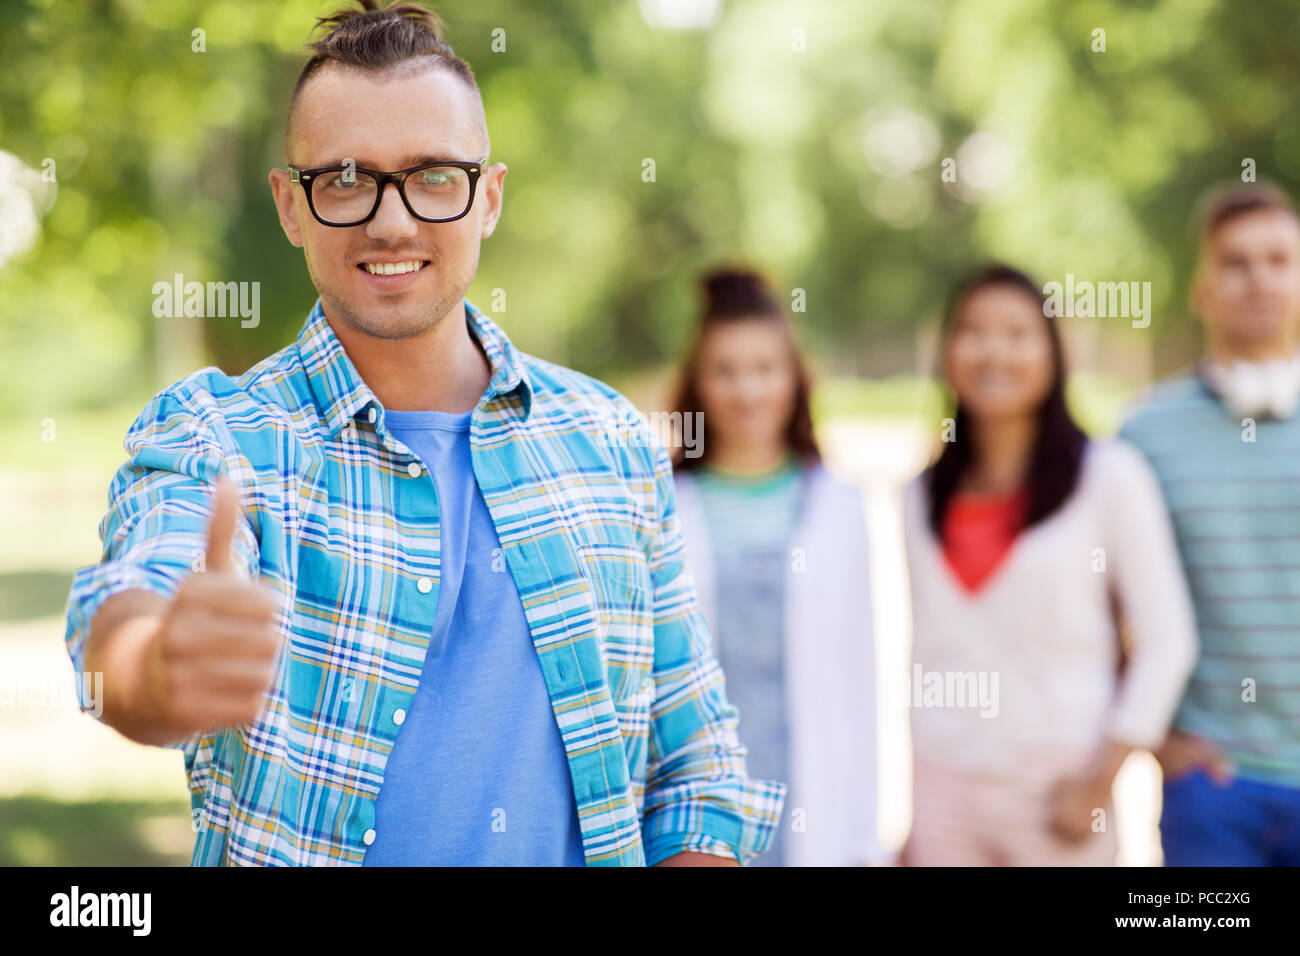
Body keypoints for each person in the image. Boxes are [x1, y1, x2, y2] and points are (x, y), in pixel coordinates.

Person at [61, 0, 784, 867]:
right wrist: (161, 668)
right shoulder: (217, 437)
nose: (391, 222)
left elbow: (695, 772)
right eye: (344, 180)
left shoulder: (610, 443)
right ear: (291, 207)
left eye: (434, 176)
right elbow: (131, 621)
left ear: (489, 198)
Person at [901, 264, 1198, 866]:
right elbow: (927, 649)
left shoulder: (1110, 478)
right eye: (973, 331)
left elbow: (1168, 641)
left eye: (1017, 333)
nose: (993, 351)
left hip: (1060, 793)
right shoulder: (919, 492)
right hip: (943, 791)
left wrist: (1100, 781)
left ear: (1052, 353)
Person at [668, 268, 885, 867]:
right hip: (695, 808)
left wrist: (864, 842)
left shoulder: (838, 507)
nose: (747, 391)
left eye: (765, 369)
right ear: (699, 383)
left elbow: (860, 685)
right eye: (726, 372)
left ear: (793, 378)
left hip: (814, 800)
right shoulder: (663, 504)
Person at [1119, 183, 1300, 866]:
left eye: (1279, 260)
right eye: (1236, 262)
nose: (1259, 280)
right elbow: (1098, 601)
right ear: (1201, 286)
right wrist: (1152, 736)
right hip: (1211, 792)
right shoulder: (1143, 436)